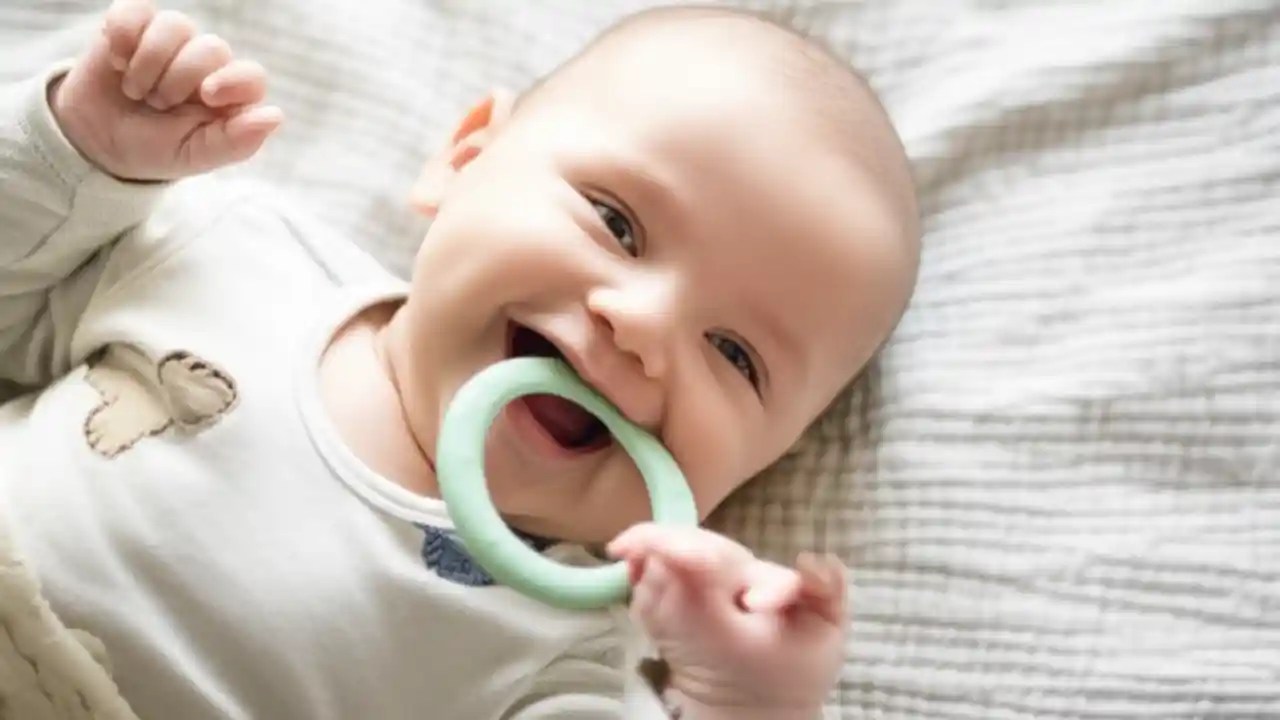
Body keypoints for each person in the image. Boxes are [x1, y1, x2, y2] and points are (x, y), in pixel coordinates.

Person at [0, 0, 919, 717]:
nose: (641, 323)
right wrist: (80, 152)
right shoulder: (231, 253)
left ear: (764, 461)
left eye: (734, 354)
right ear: (467, 157)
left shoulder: (560, 647)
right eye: (617, 223)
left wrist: (745, 702)